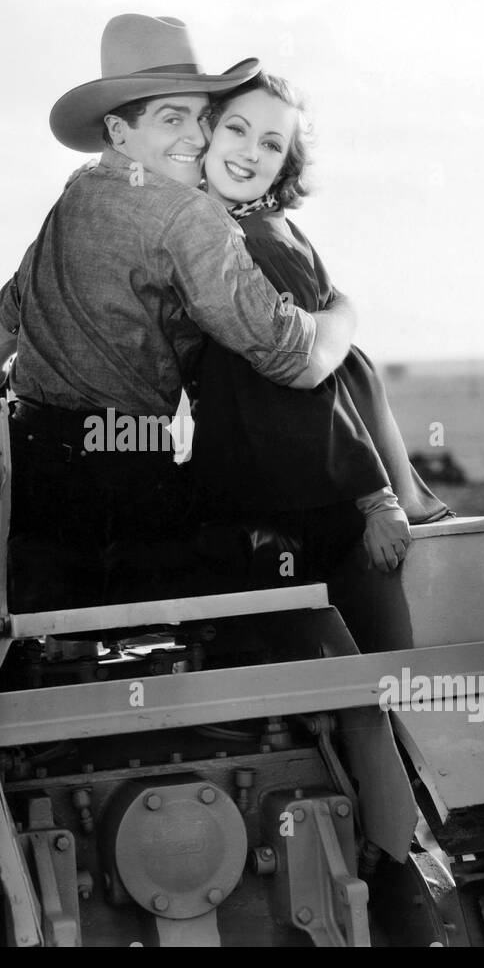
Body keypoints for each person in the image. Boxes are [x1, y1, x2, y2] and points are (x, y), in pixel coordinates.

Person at [0, 16, 360, 608]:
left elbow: (9, 311)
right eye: (170, 118)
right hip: (124, 494)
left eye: (201, 117)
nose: (197, 138)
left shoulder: (77, 192)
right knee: (296, 554)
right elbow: (299, 361)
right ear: (118, 130)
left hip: (32, 484)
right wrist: (343, 311)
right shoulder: (187, 216)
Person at [187, 70, 451, 598]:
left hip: (319, 482)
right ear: (209, 132)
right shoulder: (243, 226)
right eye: (237, 130)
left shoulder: (256, 242)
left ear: (285, 164)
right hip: (301, 471)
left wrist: (377, 500)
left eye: (271, 144)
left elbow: (318, 378)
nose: (249, 153)